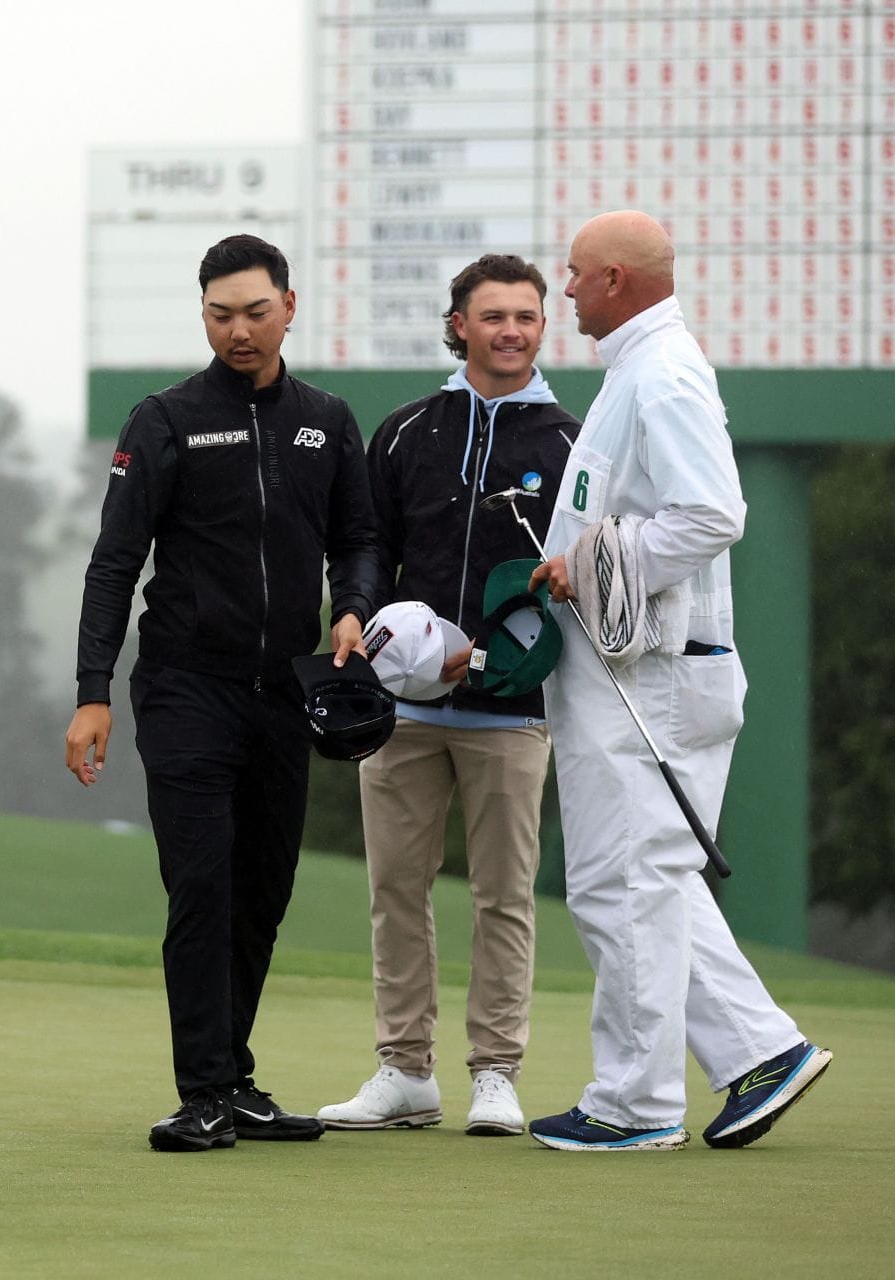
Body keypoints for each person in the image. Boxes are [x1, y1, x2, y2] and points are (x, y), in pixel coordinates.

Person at [65, 234, 381, 1153]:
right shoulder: (163, 418)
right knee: (200, 886)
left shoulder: (327, 418)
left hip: (286, 692)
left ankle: (233, 1079)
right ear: (202, 316)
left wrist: (354, 607)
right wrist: (94, 692)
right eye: (219, 315)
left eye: (254, 311)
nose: (238, 331)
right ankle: (202, 1089)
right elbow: (113, 565)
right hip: (184, 689)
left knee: (261, 891)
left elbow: (356, 536)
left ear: (290, 305)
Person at [523, 210, 830, 1151]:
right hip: (639, 671)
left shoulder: (661, 375)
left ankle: (636, 1104)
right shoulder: (638, 371)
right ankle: (759, 1053)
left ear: (616, 279)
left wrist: (589, 565)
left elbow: (711, 515)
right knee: (651, 877)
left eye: (575, 273)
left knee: (626, 885)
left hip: (651, 673)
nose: (563, 288)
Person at [317, 255, 577, 1138]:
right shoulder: (404, 432)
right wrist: (351, 613)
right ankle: (405, 1071)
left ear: (543, 328)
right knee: (397, 889)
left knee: (504, 894)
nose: (512, 330)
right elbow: (362, 546)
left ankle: (496, 1074)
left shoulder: (574, 443)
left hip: (515, 712)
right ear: (458, 323)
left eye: (528, 317)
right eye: (494, 315)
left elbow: (600, 565)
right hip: (404, 709)